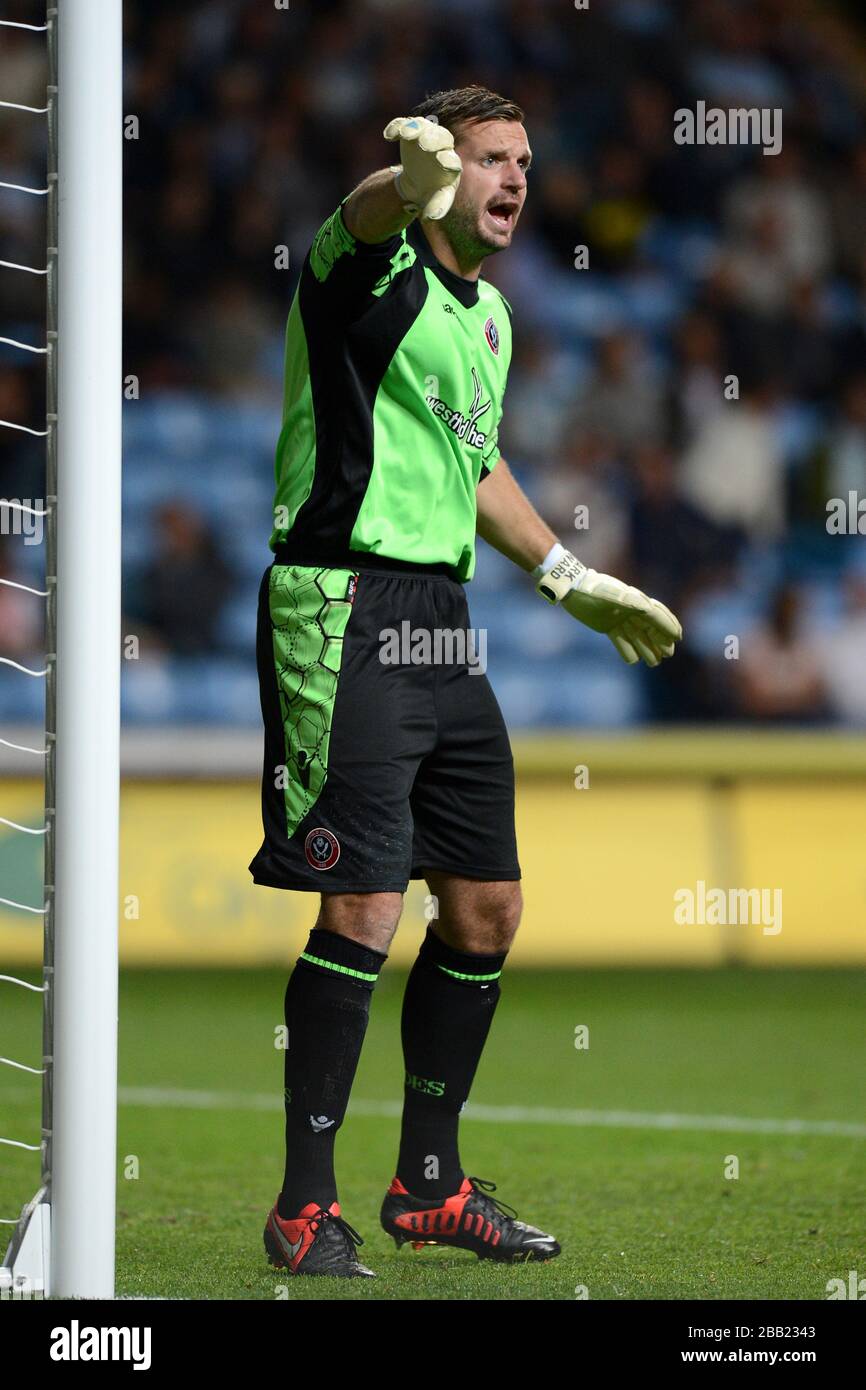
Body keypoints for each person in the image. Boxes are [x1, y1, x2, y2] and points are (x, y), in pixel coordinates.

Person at [248, 85, 682, 1278]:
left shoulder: (485, 318)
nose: (514, 181)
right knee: (368, 908)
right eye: (490, 160)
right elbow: (357, 214)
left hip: (441, 619)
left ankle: (427, 1186)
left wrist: (564, 575)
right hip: (341, 601)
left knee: (486, 905)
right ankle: (300, 1208)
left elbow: (475, 464)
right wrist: (403, 181)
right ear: (444, 171)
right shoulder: (359, 279)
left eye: (524, 163)